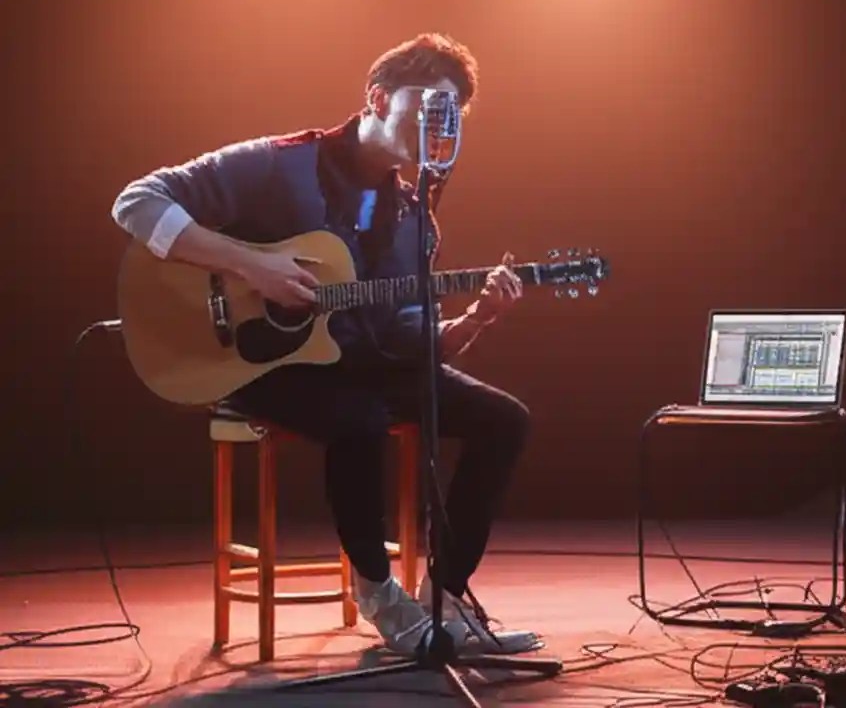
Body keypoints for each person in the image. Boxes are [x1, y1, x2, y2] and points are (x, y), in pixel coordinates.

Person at [109, 33, 539, 656]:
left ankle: (443, 600)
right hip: (257, 359)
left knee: (505, 418)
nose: (435, 124)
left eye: (449, 115)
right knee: (358, 418)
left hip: (359, 362)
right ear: (378, 97)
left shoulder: (415, 217)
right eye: (427, 105)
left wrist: (476, 319)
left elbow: (409, 341)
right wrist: (249, 267)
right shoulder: (280, 163)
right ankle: (379, 595)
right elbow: (137, 201)